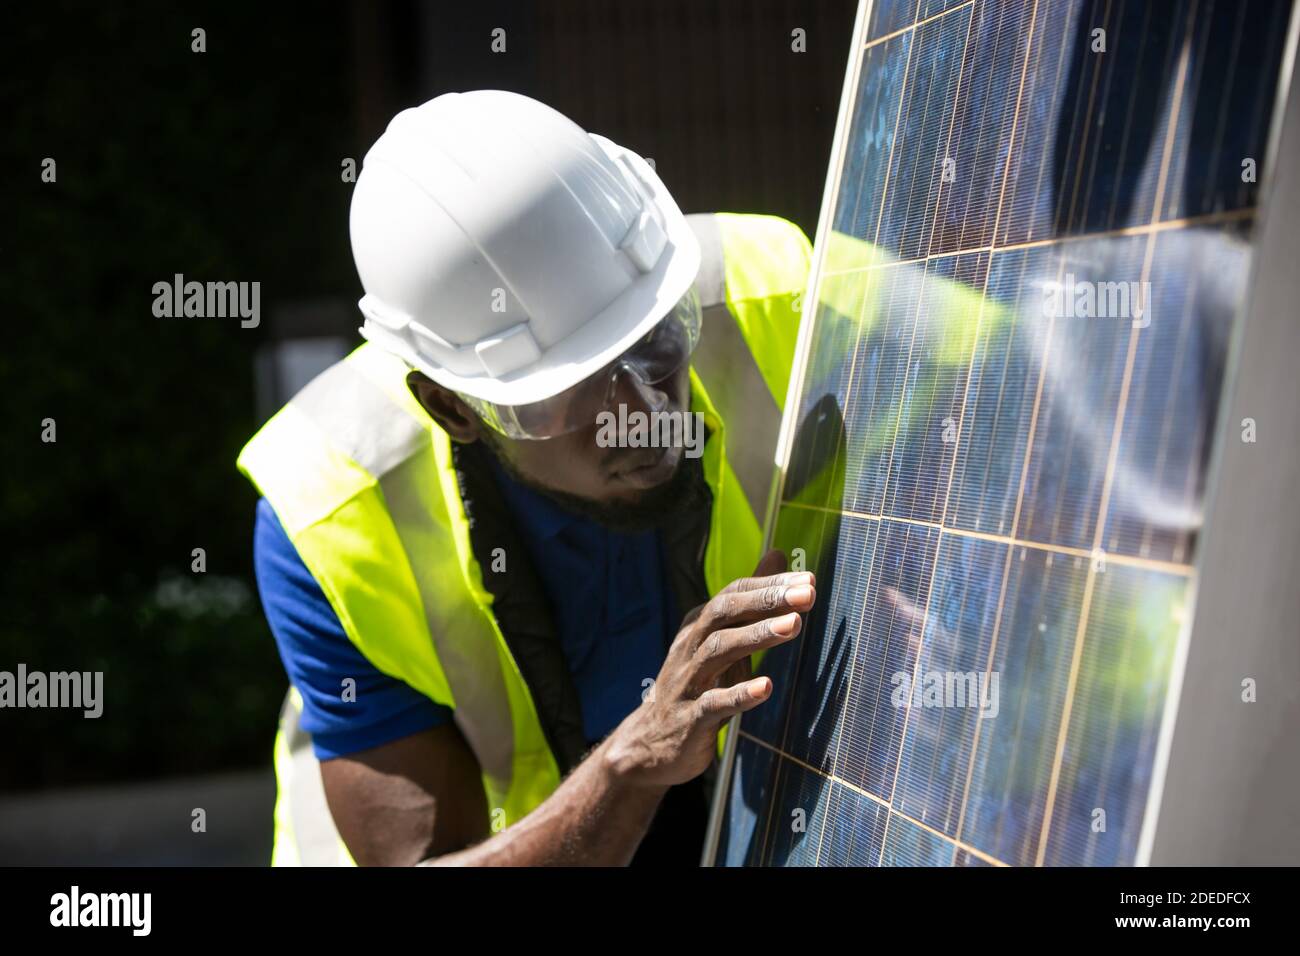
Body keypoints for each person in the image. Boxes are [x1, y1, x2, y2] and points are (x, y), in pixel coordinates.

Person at [237, 89, 818, 865]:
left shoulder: (775, 290)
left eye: (655, 340)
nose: (643, 412)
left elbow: (1023, 373)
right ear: (451, 408)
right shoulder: (332, 511)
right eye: (569, 392)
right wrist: (632, 762)